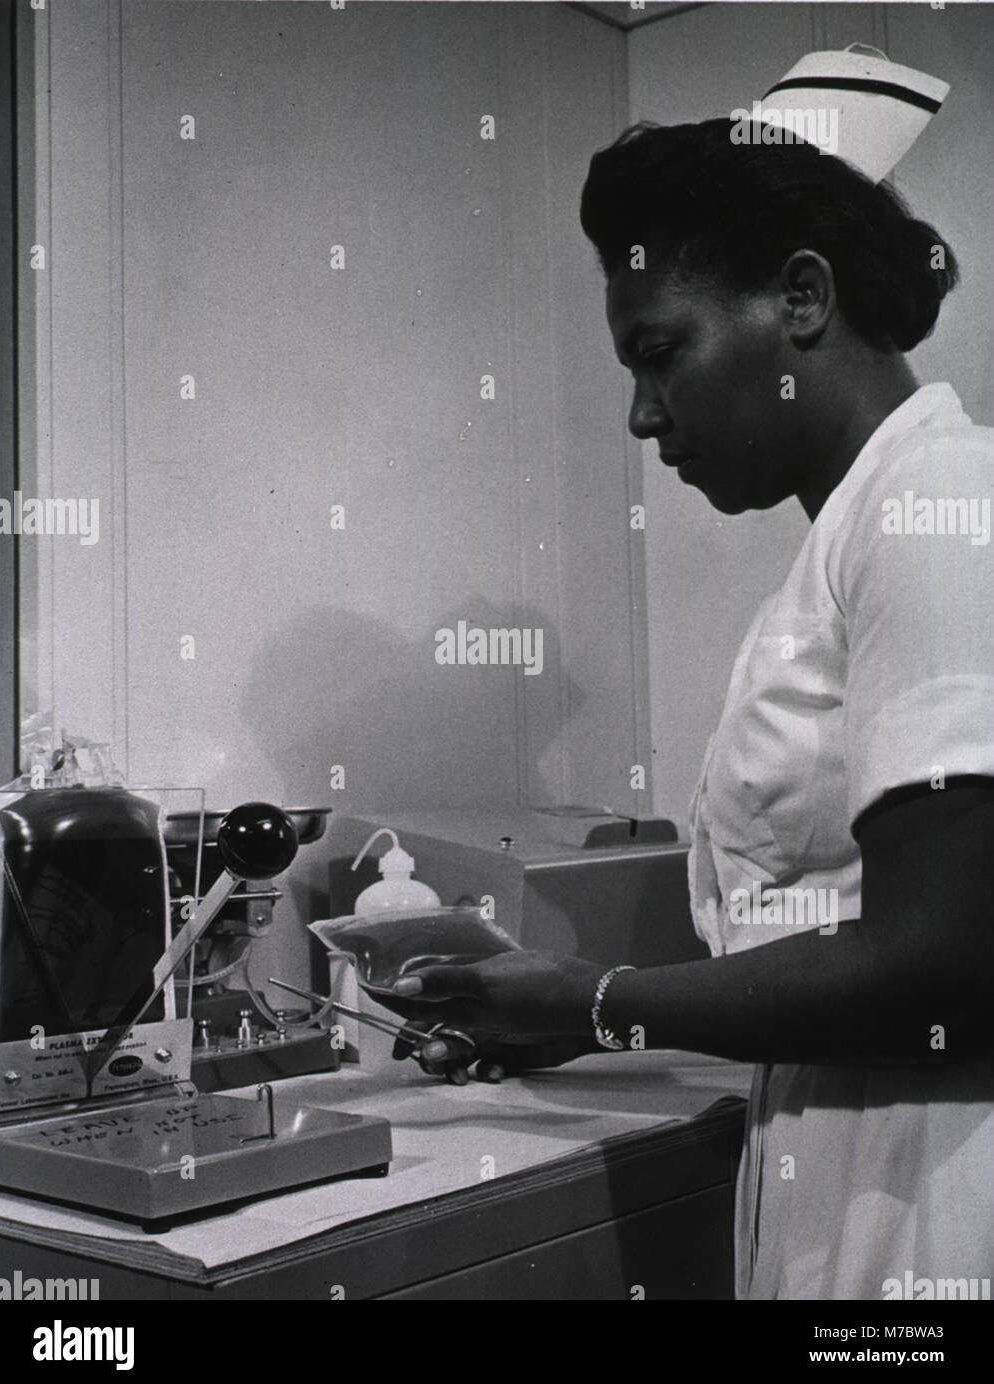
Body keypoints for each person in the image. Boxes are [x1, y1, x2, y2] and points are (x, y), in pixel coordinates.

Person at [390, 117, 994, 1300]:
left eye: (659, 351)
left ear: (801, 299)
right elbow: (823, 924)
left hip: (940, 1205)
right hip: (855, 1176)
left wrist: (599, 1000)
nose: (642, 414)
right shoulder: (849, 544)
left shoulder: (940, 505)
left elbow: (949, 957)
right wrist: (569, 1021)